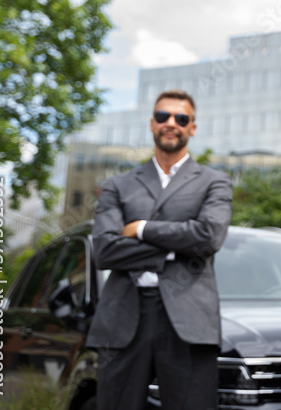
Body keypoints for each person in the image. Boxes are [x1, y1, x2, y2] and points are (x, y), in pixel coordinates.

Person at [88, 89, 233, 410]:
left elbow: (208, 237)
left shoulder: (214, 182)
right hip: (123, 317)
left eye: (181, 118)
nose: (171, 123)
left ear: (192, 128)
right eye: (162, 116)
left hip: (189, 320)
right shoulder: (118, 185)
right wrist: (174, 249)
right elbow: (105, 251)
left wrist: (139, 229)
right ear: (151, 124)